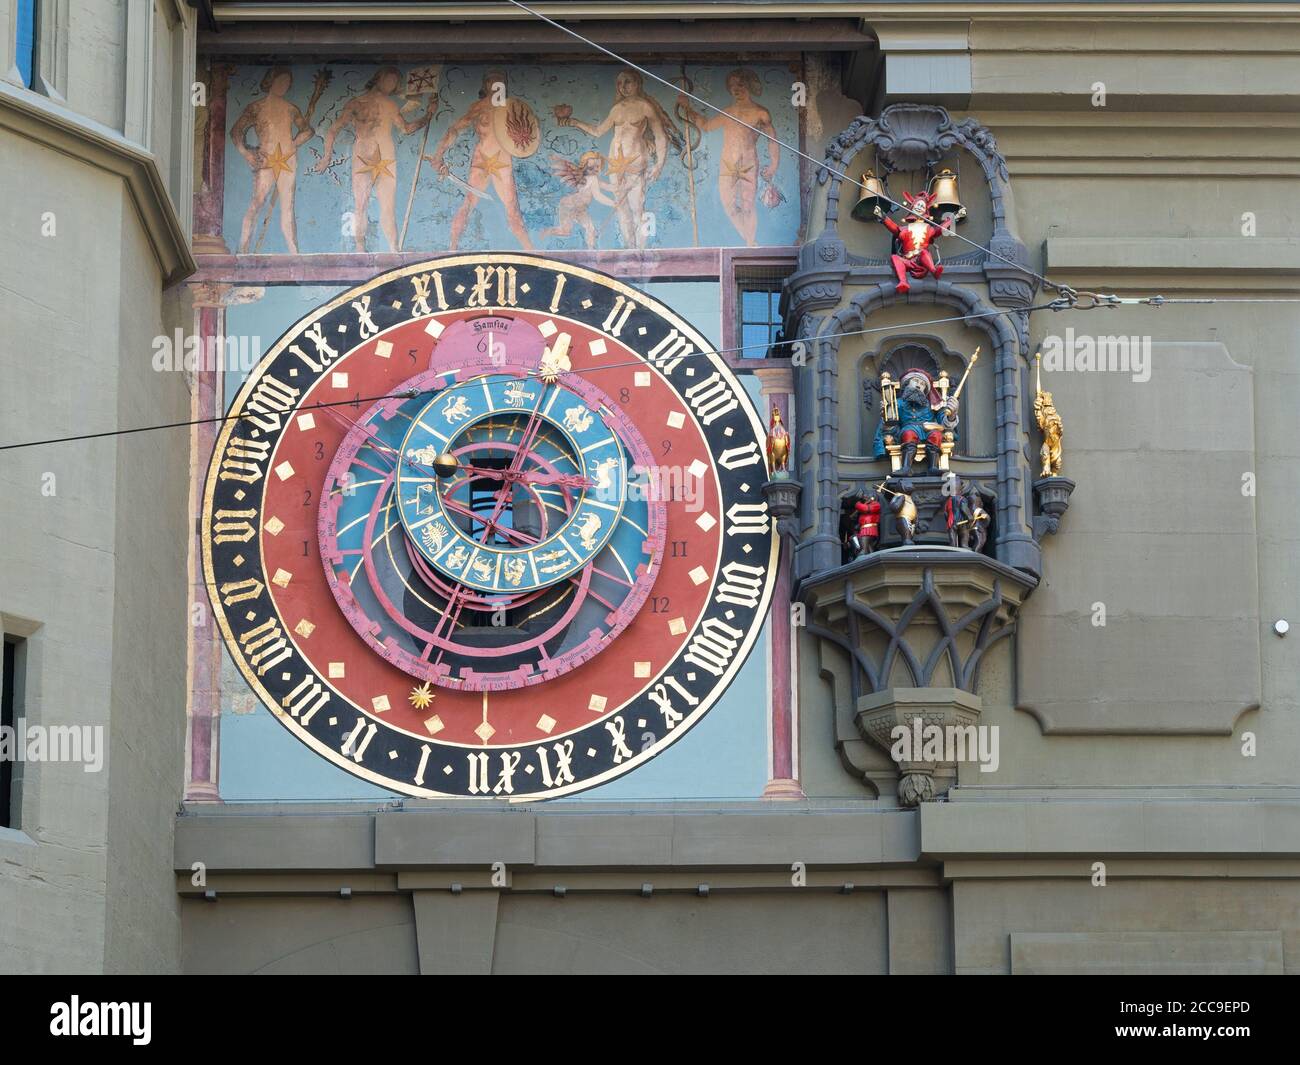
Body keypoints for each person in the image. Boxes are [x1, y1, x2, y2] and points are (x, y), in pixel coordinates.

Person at [314, 66, 435, 252]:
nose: (391, 84)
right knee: (360, 204)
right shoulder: (356, 103)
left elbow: (406, 129)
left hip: (386, 157)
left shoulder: (390, 105)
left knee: (388, 206)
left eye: (395, 82)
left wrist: (428, 115)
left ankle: (394, 249)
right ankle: (360, 249)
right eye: (389, 79)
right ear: (379, 78)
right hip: (363, 154)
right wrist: (326, 156)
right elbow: (333, 129)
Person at [557, 70, 680, 250]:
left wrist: (659, 165)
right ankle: (630, 248)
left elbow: (660, 137)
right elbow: (599, 131)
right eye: (620, 83)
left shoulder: (645, 107)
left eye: (628, 82)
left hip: (635, 162)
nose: (623, 87)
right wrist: (575, 123)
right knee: (621, 208)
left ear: (638, 83)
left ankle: (640, 250)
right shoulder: (617, 109)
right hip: (616, 164)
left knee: (637, 207)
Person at [426, 70, 534, 251]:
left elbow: (526, 136)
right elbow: (455, 129)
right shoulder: (479, 106)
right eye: (492, 80)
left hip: (503, 160)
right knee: (468, 204)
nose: (496, 83)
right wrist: (438, 155)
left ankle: (533, 254)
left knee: (513, 210)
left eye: (500, 80)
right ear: (485, 85)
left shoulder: (511, 108)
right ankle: (451, 249)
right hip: (482, 158)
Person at [677, 68, 779, 247]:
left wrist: (773, 165)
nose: (736, 89)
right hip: (728, 164)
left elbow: (772, 140)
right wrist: (687, 108)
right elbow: (707, 126)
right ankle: (748, 239)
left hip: (748, 163)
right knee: (729, 205)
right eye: (732, 86)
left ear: (748, 85)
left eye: (740, 84)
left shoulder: (760, 113)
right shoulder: (728, 112)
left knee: (748, 205)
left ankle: (750, 242)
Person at [231, 67, 314, 254]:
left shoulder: (291, 109)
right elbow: (236, 131)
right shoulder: (256, 107)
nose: (283, 86)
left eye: (287, 82)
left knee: (288, 207)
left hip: (288, 161)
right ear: (270, 81)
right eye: (280, 81)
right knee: (257, 202)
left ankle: (294, 253)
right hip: (266, 161)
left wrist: (293, 143)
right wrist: (246, 153)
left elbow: (307, 130)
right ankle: (243, 251)